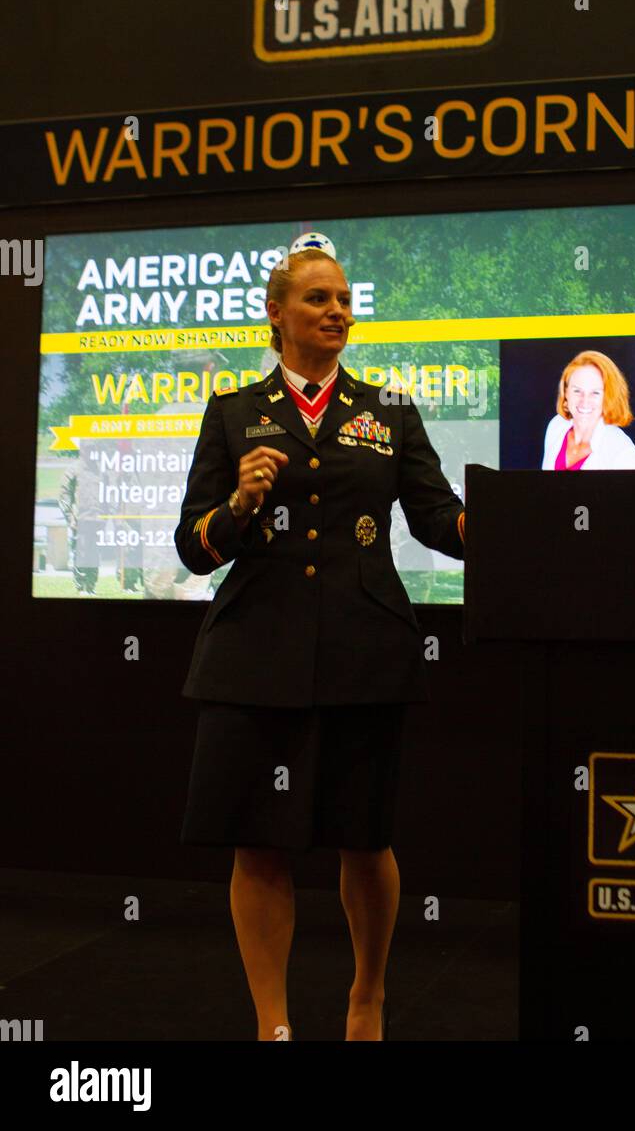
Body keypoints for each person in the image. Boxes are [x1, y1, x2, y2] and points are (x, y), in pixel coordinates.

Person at [175, 245, 466, 1042]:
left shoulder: (390, 410)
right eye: (317, 300)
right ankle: (274, 1026)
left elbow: (440, 520)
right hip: (251, 657)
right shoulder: (232, 411)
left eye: (343, 298)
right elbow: (193, 548)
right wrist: (237, 505)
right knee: (259, 847)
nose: (337, 311)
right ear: (277, 313)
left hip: (364, 654)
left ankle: (366, 1001)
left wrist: (514, 521)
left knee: (366, 840)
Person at [541, 350, 635, 470]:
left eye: (595, 393)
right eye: (577, 391)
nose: (584, 401)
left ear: (608, 397)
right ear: (566, 392)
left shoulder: (624, 454)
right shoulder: (556, 425)